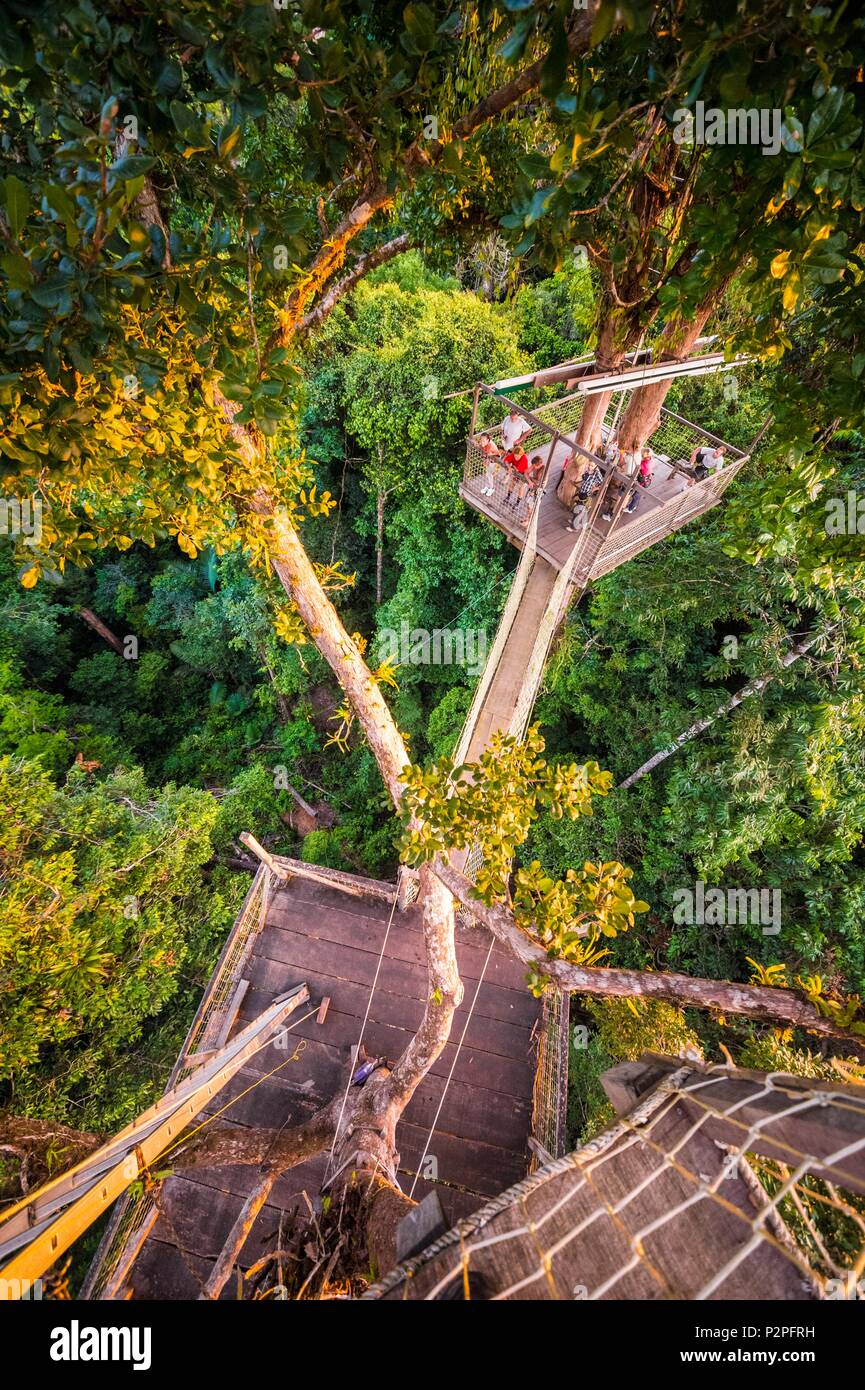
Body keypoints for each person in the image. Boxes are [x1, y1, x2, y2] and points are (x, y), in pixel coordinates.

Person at [565, 462, 603, 532]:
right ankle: (573, 521)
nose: (589, 466)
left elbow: (603, 483)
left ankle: (574, 528)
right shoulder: (588, 470)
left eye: (592, 465)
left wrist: (594, 489)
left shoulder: (597, 473)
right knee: (577, 507)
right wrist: (587, 472)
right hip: (582, 491)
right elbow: (584, 478)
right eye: (589, 464)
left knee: (580, 510)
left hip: (586, 494)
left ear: (596, 466)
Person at [503, 442, 530, 508]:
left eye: (518, 456)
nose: (516, 458)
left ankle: (517, 503)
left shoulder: (524, 459)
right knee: (512, 484)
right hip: (516, 473)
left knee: (521, 489)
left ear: (522, 455)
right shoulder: (513, 454)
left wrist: (512, 467)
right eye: (515, 456)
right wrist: (509, 467)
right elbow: (506, 460)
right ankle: (508, 497)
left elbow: (517, 470)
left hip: (523, 475)